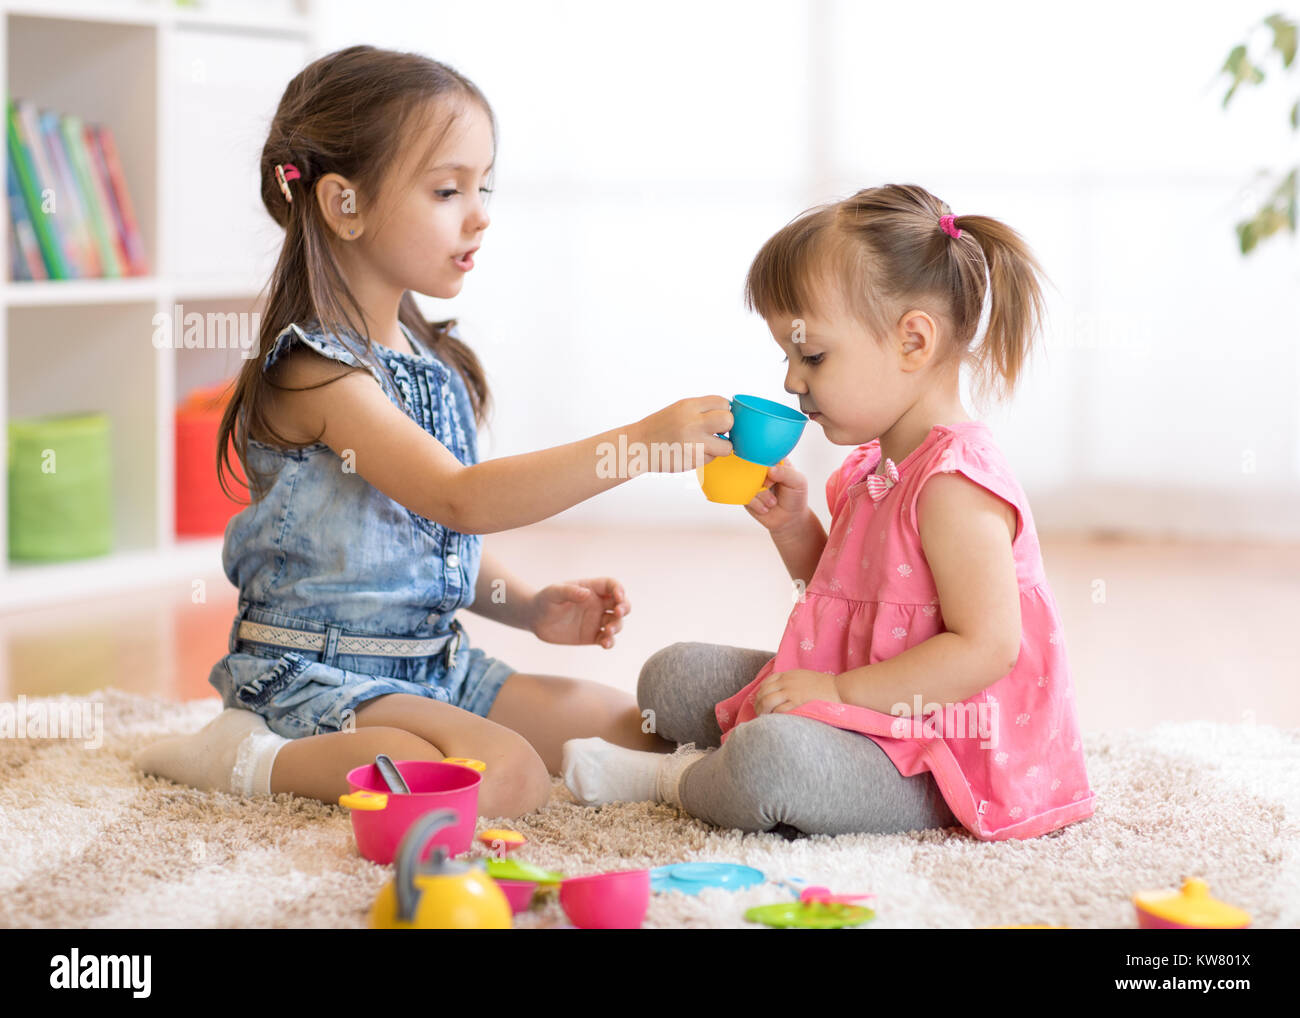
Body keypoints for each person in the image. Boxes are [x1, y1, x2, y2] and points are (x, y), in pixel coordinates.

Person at [133, 46, 731, 817]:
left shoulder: (430, 363)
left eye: (484, 187)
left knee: (638, 732)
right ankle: (247, 757)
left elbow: (425, 544)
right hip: (316, 673)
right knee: (497, 778)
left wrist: (530, 607)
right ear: (344, 204)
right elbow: (459, 500)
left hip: (438, 667)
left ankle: (388, 745)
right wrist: (640, 444)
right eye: (448, 189)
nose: (480, 213)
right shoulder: (319, 374)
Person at [563, 184, 1097, 841]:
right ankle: (726, 766)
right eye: (787, 357)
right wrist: (793, 527)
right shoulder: (877, 467)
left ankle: (671, 781)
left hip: (946, 756)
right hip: (871, 704)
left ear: (913, 342)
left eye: (812, 356)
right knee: (672, 677)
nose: (791, 380)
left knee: (770, 761)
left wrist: (839, 696)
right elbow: (862, 598)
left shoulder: (957, 486)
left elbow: (987, 649)